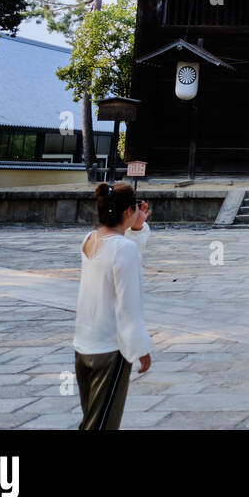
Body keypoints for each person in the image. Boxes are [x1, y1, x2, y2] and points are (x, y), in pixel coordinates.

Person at [74, 183, 154, 430]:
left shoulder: (90, 239)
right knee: (102, 425)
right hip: (111, 349)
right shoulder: (124, 248)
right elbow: (128, 307)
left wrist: (136, 227)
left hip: (84, 345)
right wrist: (140, 346)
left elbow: (120, 253)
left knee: (91, 420)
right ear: (128, 210)